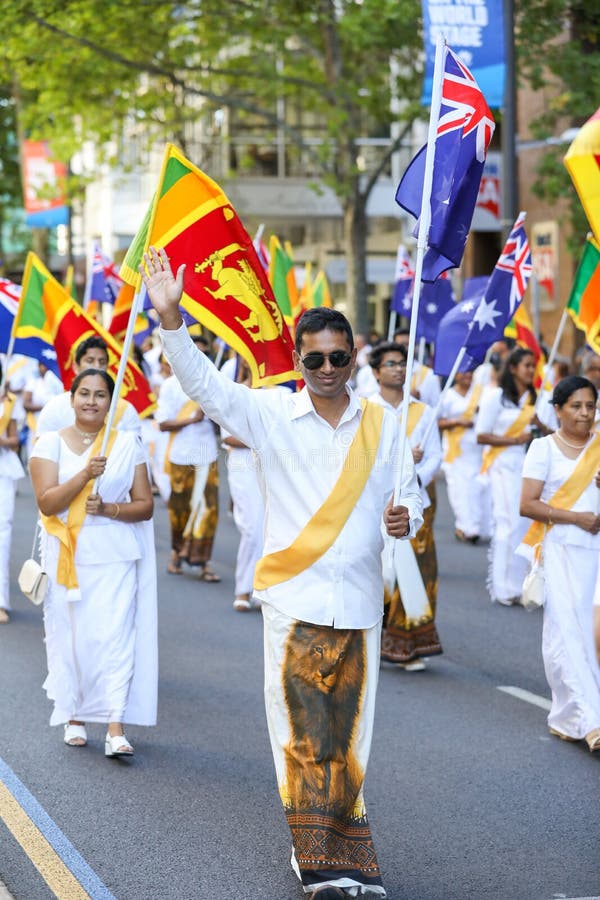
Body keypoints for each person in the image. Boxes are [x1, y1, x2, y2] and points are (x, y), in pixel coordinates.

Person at [142, 245, 422, 900]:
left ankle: (347, 859)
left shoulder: (387, 424)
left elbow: (410, 500)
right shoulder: (270, 415)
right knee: (301, 734)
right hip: (294, 602)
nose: (327, 368)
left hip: (357, 604)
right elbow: (205, 389)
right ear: (299, 360)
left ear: (354, 357)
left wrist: (405, 519)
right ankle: (318, 861)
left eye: (339, 357)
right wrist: (172, 319)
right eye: (315, 358)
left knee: (347, 738)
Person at [29, 369, 157, 756]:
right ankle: (75, 716)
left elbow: (145, 506)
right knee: (73, 638)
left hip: (115, 555)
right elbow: (47, 502)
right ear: (71, 399)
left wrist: (111, 508)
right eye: (84, 393)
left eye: (100, 395)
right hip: (67, 554)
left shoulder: (126, 445)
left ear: (110, 403)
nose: (91, 401)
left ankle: (115, 724)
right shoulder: (48, 443)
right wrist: (86, 473)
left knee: (116, 637)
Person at [519, 375, 600, 752]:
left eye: (590, 405)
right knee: (569, 634)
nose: (584, 413)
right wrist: (576, 518)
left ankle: (572, 715)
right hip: (562, 551)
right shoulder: (543, 449)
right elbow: (528, 504)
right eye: (576, 406)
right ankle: (590, 722)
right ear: (558, 409)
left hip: (596, 554)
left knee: (594, 637)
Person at [369, 342, 443, 671]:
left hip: (415, 507)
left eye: (403, 363)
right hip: (375, 507)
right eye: (391, 364)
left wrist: (409, 477)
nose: (399, 369)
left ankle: (406, 643)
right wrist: (396, 469)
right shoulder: (365, 409)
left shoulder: (424, 413)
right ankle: (375, 633)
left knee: (421, 573)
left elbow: (435, 458)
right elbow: (360, 459)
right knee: (381, 573)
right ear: (375, 372)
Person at [475, 348, 541, 606]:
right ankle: (502, 587)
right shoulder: (495, 398)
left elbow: (548, 432)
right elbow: (481, 435)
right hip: (503, 465)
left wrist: (540, 425)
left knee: (525, 525)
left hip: (528, 466)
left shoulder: (536, 398)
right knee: (508, 523)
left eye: (533, 365)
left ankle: (523, 585)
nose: (531, 370)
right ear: (512, 368)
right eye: (526, 365)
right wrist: (514, 439)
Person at [155, 336, 220, 580]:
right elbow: (162, 424)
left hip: (207, 453)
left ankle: (203, 562)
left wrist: (212, 412)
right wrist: (190, 420)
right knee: (180, 509)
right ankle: (176, 554)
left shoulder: (212, 383)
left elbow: (226, 418)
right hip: (181, 454)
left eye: (205, 353)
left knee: (208, 510)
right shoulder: (171, 385)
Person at [221, 358, 265, 611]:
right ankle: (242, 588)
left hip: (272, 466)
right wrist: (261, 438)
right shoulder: (233, 395)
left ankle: (260, 587)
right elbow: (228, 437)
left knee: (268, 527)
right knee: (251, 527)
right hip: (242, 466)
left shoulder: (278, 396)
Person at [36, 336, 141, 438]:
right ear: (76, 367)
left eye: (102, 362)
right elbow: (42, 451)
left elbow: (135, 450)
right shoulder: (55, 407)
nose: (97, 366)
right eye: (90, 361)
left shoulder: (125, 410)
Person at [438, 369, 489, 544]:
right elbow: (437, 422)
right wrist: (458, 422)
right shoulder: (448, 395)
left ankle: (475, 527)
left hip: (477, 450)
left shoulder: (480, 393)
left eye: (470, 373)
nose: (467, 376)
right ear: (456, 375)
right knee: (459, 490)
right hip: (455, 451)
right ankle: (464, 527)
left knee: (475, 489)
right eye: (463, 373)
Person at [0, 364, 26, 624]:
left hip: (3, 474)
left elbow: (14, 440)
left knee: (2, 533)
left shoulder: (9, 403)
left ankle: (0, 601)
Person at [393, 329, 441, 408]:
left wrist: (418, 400)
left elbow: (437, 408)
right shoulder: (382, 372)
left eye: (408, 344)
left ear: (415, 347)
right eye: (400, 345)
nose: (404, 348)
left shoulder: (430, 375)